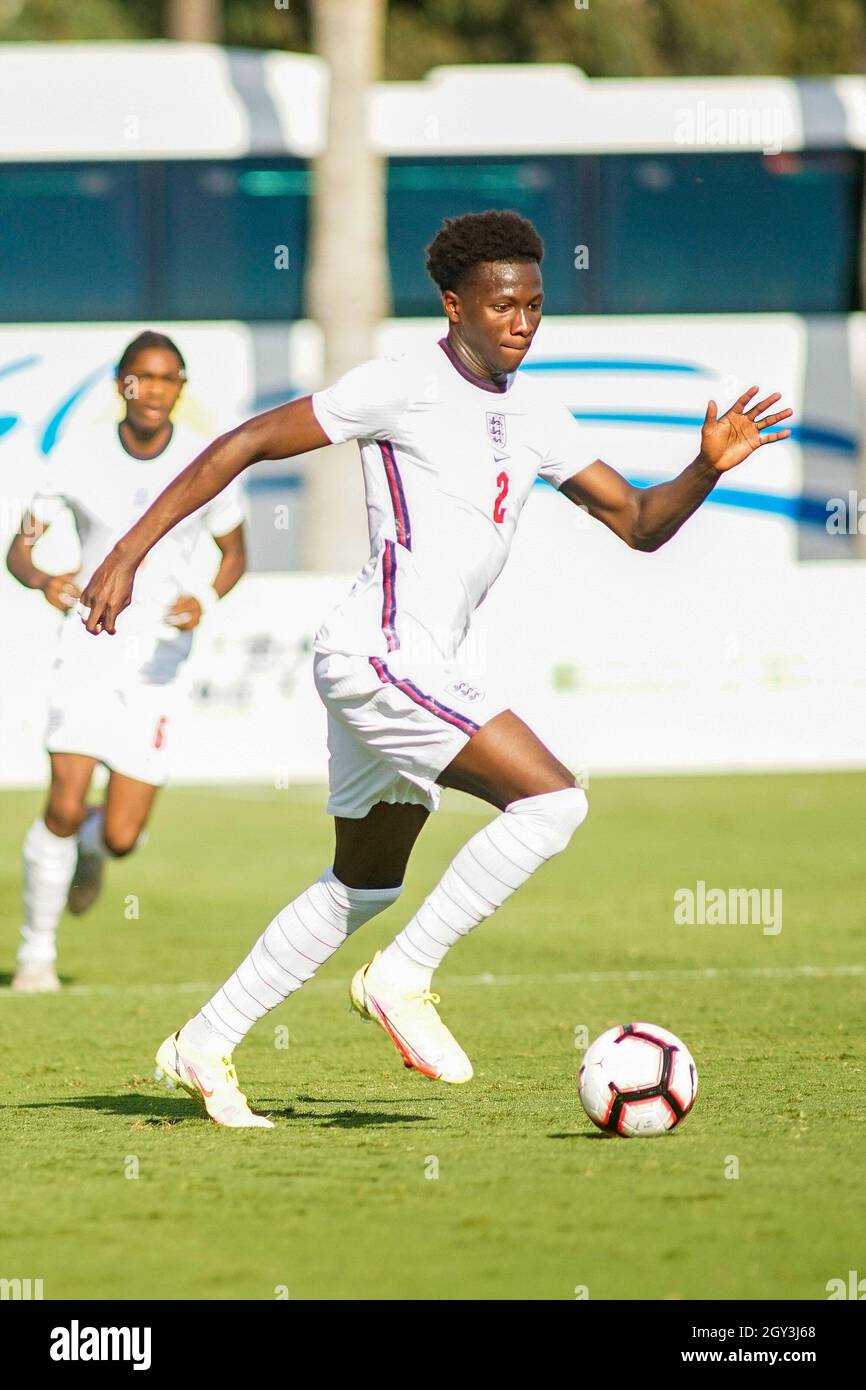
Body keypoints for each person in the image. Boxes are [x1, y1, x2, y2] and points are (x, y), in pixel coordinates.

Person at [80, 212, 791, 1127]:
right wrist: (132, 552)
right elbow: (245, 442)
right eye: (502, 306)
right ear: (453, 305)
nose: (522, 323)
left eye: (535, 305)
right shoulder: (400, 385)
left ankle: (203, 1043)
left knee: (364, 882)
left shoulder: (537, 409)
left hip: (408, 661)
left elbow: (642, 525)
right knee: (553, 801)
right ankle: (402, 978)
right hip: (380, 654)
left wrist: (705, 466)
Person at [7, 331, 246, 993]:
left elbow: (235, 555)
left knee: (119, 835)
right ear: (122, 385)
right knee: (62, 802)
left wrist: (203, 596)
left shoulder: (205, 463)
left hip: (159, 666)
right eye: (143, 377)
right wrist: (44, 580)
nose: (155, 390)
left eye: (169, 379)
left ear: (180, 389)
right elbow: (19, 551)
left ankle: (93, 845)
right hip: (89, 647)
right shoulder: (76, 458)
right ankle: (36, 957)